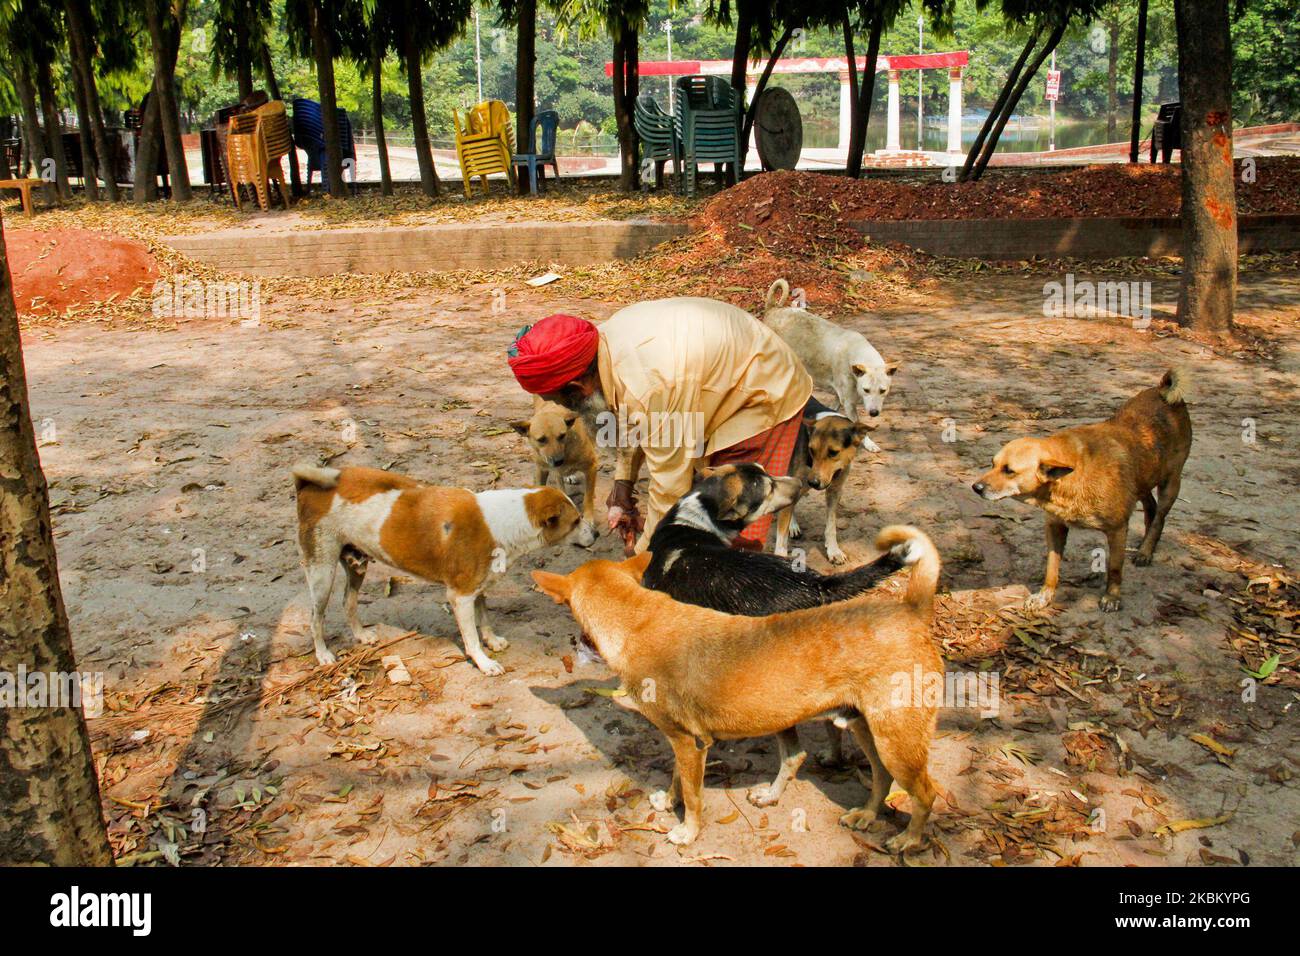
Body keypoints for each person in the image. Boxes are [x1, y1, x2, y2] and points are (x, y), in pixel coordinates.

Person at [507, 297, 811, 554]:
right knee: (703, 509)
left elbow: (668, 492)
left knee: (734, 522)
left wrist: (641, 561)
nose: (565, 410)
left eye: (564, 401)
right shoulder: (603, 354)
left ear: (578, 386)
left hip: (761, 394)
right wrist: (623, 483)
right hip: (707, 390)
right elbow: (632, 417)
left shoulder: (650, 384)